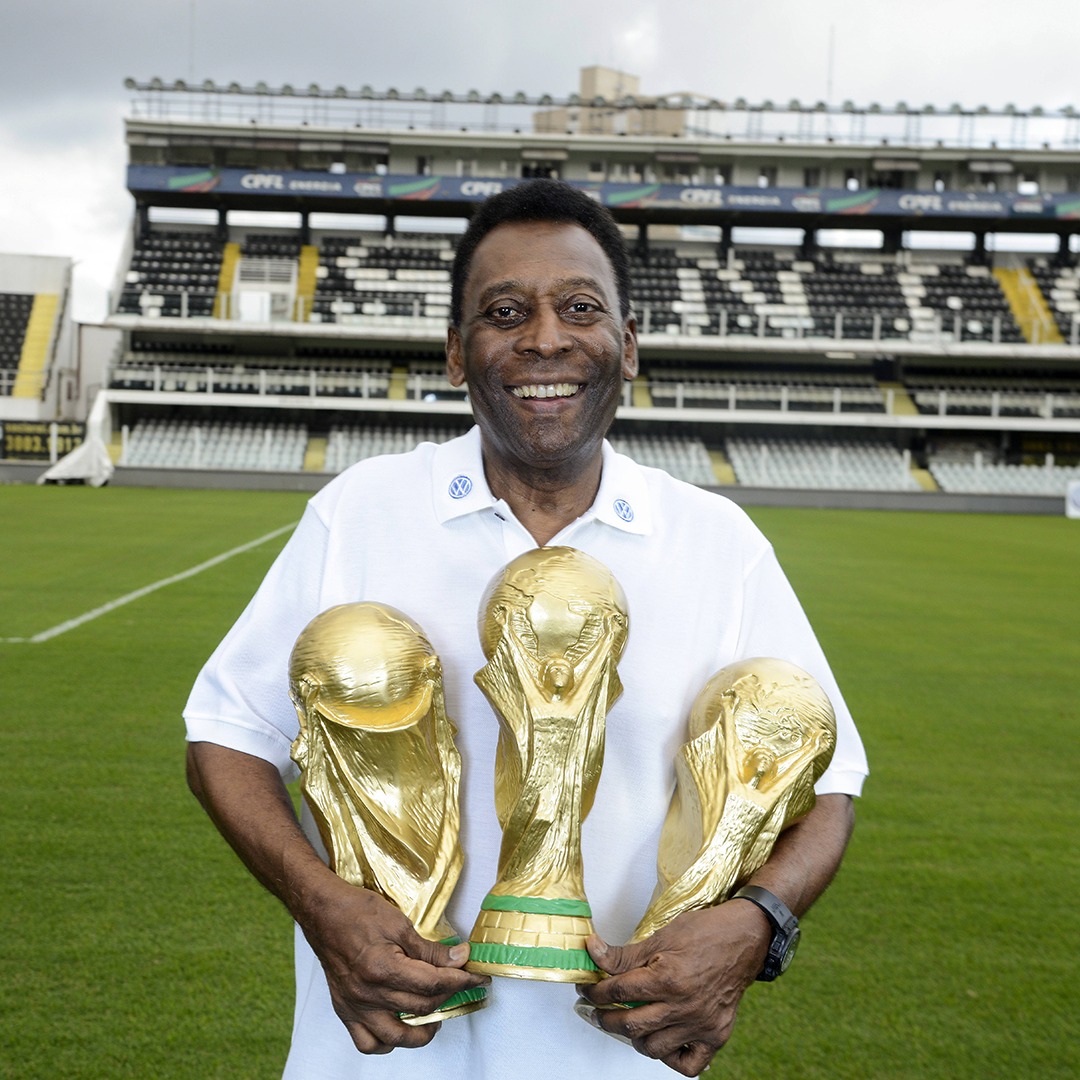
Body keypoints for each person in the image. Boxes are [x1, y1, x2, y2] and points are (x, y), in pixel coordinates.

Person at [184, 178, 868, 1079]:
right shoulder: (362, 510)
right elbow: (227, 735)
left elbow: (828, 782)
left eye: (580, 308)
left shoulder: (717, 540)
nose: (546, 338)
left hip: (622, 1060)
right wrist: (320, 904)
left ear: (628, 345)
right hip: (385, 1059)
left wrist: (756, 923)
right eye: (505, 312)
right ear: (456, 353)